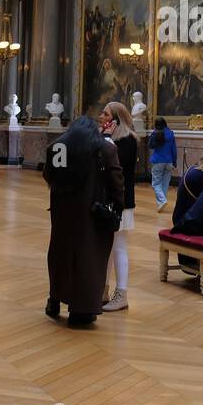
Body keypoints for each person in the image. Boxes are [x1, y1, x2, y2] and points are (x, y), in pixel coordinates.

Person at [44, 116, 124, 327]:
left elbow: (48, 176)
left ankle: (55, 298)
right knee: (88, 261)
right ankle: (81, 312)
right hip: (91, 215)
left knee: (60, 256)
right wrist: (117, 209)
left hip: (62, 214)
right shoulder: (104, 150)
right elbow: (117, 184)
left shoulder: (56, 147)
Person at [101, 101, 137, 312]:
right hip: (109, 199)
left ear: (116, 118)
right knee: (107, 247)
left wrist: (104, 138)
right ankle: (102, 291)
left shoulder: (127, 141)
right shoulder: (112, 138)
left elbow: (118, 168)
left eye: (105, 113)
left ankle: (121, 294)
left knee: (119, 247)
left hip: (121, 201)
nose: (101, 116)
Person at [148, 116, 177, 212]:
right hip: (169, 161)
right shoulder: (171, 134)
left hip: (158, 161)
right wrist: (174, 161)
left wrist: (153, 135)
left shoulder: (155, 134)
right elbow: (174, 149)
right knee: (165, 183)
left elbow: (150, 146)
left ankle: (162, 200)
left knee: (156, 184)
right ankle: (161, 203)